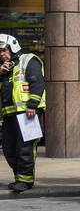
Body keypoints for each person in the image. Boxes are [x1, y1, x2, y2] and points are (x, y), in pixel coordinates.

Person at [0, 34, 45, 193]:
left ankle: (25, 180)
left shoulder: (28, 60)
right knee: (9, 148)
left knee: (24, 148)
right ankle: (19, 177)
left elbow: (37, 83)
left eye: (4, 50)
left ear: (13, 47)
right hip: (9, 115)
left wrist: (32, 104)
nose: (1, 54)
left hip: (28, 113)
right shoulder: (4, 68)